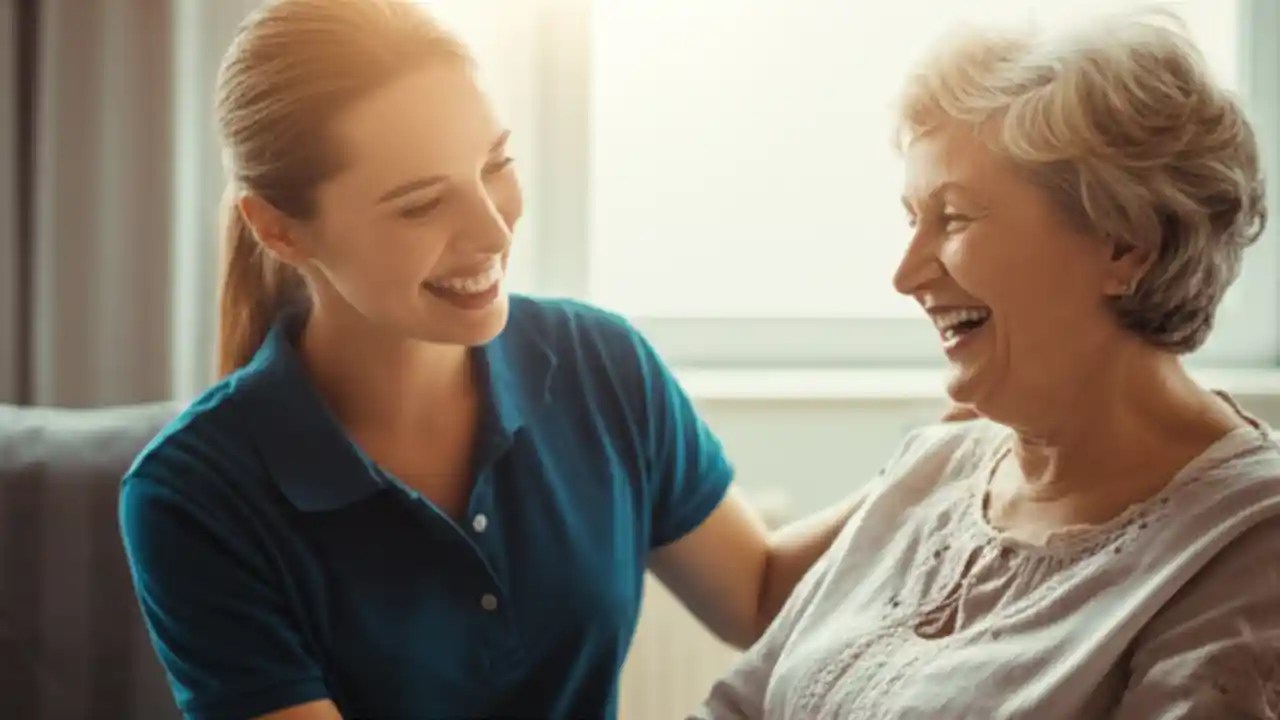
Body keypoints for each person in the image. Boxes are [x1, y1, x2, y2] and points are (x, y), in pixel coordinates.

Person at [116, 1, 863, 718]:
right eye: (420, 204)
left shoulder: (602, 365)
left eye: (496, 164)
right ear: (280, 230)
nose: (494, 231)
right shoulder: (191, 495)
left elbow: (757, 594)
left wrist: (931, 464)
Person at [694, 10, 1280, 720]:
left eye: (954, 218)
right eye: (913, 219)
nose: (906, 276)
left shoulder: (1251, 540)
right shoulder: (930, 468)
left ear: (1126, 245)